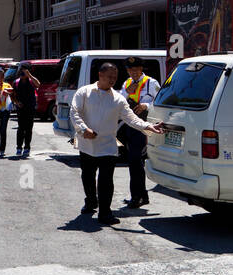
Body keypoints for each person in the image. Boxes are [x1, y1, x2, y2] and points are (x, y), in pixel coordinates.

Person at [70, 62, 164, 225]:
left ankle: (105, 213)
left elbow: (131, 118)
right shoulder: (84, 92)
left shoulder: (118, 99)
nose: (113, 80)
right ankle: (91, 201)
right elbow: (74, 112)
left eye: (115, 77)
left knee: (106, 180)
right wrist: (83, 129)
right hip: (86, 144)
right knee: (88, 176)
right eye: (109, 77)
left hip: (107, 145)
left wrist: (148, 126)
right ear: (100, 75)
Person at [119, 57, 162, 208]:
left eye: (136, 69)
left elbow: (159, 102)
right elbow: (119, 102)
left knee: (135, 160)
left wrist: (145, 105)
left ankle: (136, 196)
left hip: (145, 125)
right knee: (135, 161)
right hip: (131, 125)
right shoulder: (127, 83)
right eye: (131, 70)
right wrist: (127, 94)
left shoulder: (151, 82)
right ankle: (142, 195)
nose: (134, 72)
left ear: (141, 69)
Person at [12, 66, 39, 158]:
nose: (23, 75)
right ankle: (19, 147)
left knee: (29, 129)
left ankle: (27, 147)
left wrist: (30, 75)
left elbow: (38, 84)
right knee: (20, 128)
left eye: (24, 73)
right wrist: (17, 102)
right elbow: (12, 95)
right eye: (21, 73)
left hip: (30, 108)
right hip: (21, 108)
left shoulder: (31, 81)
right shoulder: (16, 82)